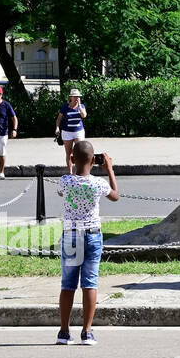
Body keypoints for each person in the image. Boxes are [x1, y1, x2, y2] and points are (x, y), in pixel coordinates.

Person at [56, 140, 119, 345]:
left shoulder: (65, 181)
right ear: (94, 161)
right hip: (92, 236)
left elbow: (61, 192)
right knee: (89, 284)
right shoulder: (98, 184)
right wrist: (109, 169)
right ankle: (87, 331)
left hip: (71, 236)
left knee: (68, 285)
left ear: (72, 159)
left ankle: (64, 332)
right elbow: (115, 196)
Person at [54, 88, 88, 173]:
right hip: (67, 132)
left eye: (78, 96)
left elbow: (84, 116)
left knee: (79, 152)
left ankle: (79, 171)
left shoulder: (82, 106)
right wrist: (57, 127)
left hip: (78, 132)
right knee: (68, 153)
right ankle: (70, 172)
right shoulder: (65, 106)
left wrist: (79, 106)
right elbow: (59, 119)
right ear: (71, 97)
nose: (77, 98)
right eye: (75, 96)